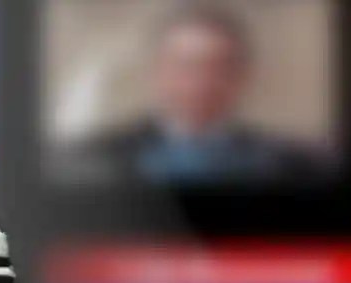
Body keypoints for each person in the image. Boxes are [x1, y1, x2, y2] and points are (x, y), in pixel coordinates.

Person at [59, 1, 330, 184]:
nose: (202, 81)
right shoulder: (90, 160)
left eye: (218, 66)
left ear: (242, 76)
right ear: (157, 71)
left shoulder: (298, 165)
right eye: (186, 65)